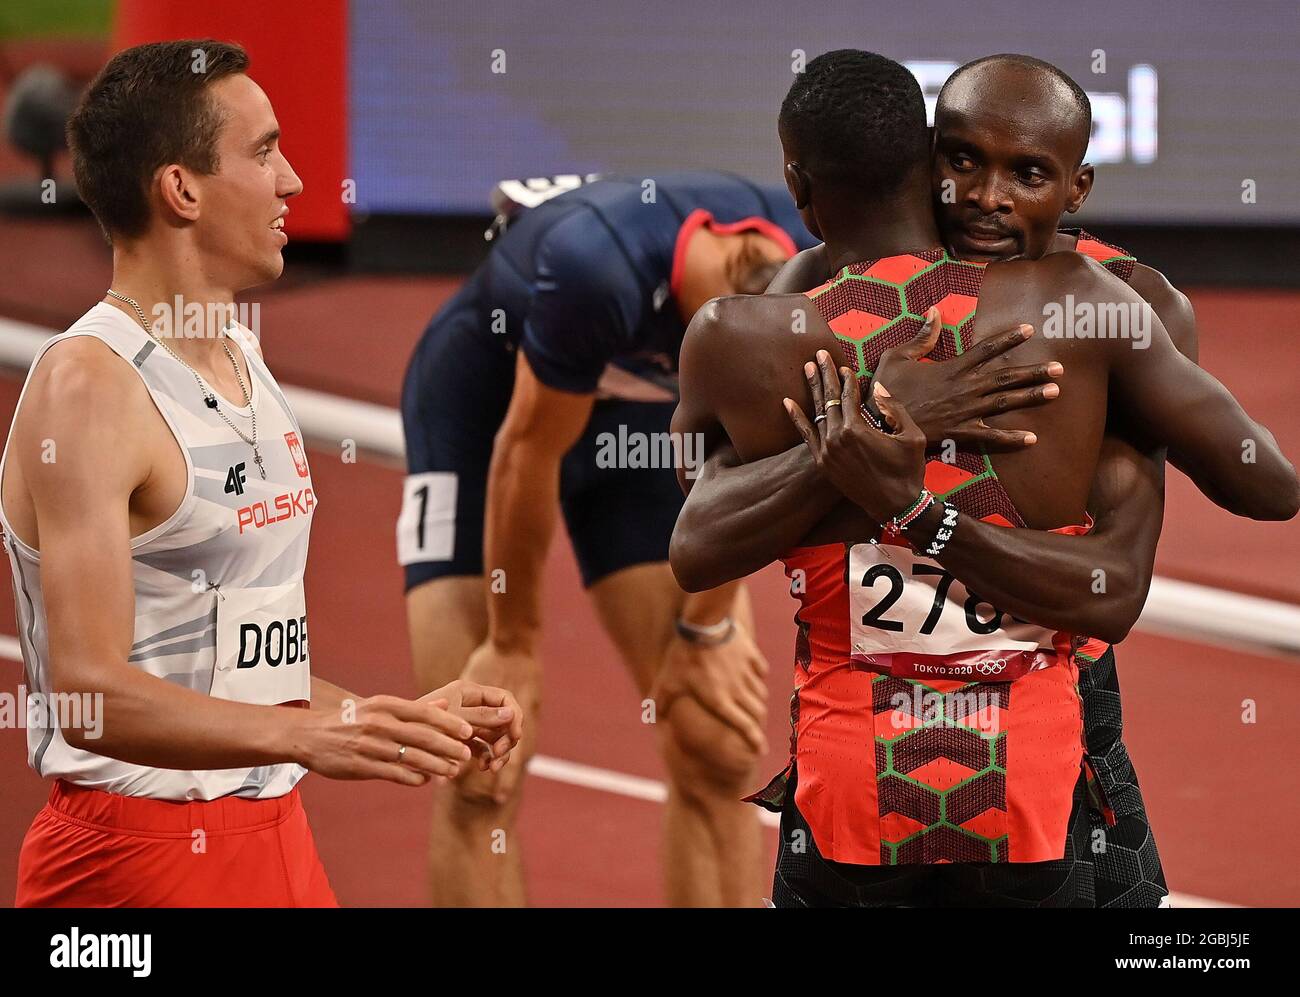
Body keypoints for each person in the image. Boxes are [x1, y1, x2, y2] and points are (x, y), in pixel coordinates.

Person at [670, 49, 1297, 906]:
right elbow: (701, 531)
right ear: (928, 157)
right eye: (962, 161)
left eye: (1025, 174)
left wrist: (902, 489)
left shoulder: (1122, 301)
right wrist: (886, 412)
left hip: (1028, 719)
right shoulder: (805, 298)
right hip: (913, 758)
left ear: (1075, 189)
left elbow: (1149, 562)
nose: (985, 197)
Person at [0, 39, 520, 908]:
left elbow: (227, 669)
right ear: (181, 189)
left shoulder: (242, 354)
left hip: (277, 838)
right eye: (265, 150)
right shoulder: (89, 388)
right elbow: (88, 693)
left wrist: (387, 720)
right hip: (130, 866)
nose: (294, 182)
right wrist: (314, 735)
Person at [401, 171, 826, 906]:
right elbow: (525, 452)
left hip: (636, 418)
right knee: (481, 758)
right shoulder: (600, 268)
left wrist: (707, 628)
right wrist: (513, 641)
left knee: (714, 742)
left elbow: (751, 465)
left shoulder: (820, 272)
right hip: (487, 404)